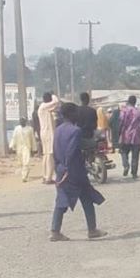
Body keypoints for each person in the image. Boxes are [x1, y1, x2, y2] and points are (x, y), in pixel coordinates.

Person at [50, 102, 106, 241]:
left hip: (61, 170)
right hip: (74, 171)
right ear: (71, 114)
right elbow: (74, 149)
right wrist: (95, 143)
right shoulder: (75, 131)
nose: (78, 115)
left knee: (62, 200)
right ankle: (92, 230)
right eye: (76, 112)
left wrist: (59, 168)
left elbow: (55, 151)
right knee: (86, 199)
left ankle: (55, 231)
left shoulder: (58, 130)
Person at [114, 95, 140, 179]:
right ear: (135, 102)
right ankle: (134, 173)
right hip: (136, 136)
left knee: (123, 152)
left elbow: (121, 123)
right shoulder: (139, 111)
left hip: (125, 136)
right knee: (135, 156)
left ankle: (126, 165)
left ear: (128, 102)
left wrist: (118, 134)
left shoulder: (124, 111)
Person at [37, 93, 60, 184]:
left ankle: (45, 175)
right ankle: (48, 178)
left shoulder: (44, 108)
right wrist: (53, 95)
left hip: (44, 133)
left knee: (46, 155)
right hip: (48, 133)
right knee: (50, 155)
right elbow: (56, 102)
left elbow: (54, 107)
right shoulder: (44, 107)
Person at [10, 117, 36, 182]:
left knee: (26, 162)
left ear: (25, 121)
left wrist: (33, 149)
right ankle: (25, 172)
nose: (21, 122)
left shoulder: (30, 129)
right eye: (21, 121)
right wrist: (11, 146)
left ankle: (24, 177)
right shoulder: (17, 129)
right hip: (19, 148)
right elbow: (14, 138)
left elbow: (32, 139)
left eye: (23, 121)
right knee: (20, 163)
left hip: (27, 147)